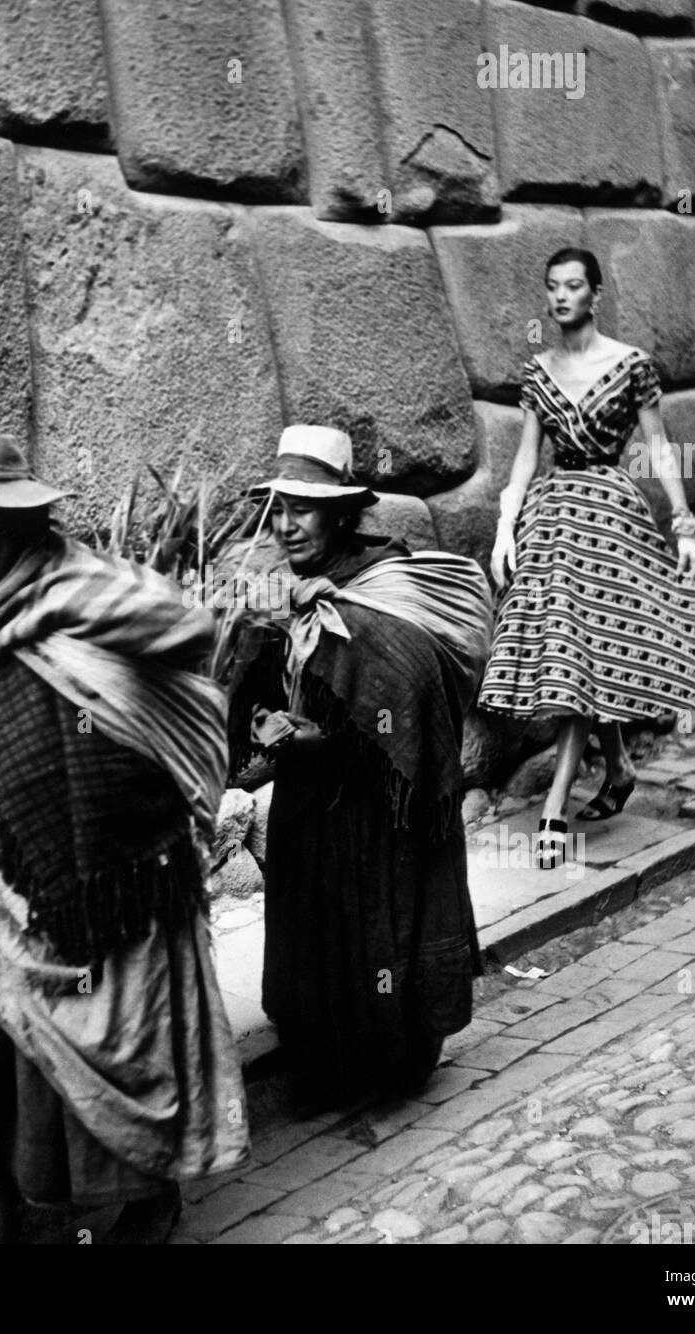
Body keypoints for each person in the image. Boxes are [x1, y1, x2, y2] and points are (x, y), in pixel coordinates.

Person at [0, 428, 249, 1244]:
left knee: (113, 1051)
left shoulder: (87, 597)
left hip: (110, 873)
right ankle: (4, 1219)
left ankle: (140, 1207)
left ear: (12, 524)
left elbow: (132, 751)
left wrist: (6, 821)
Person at [478, 248, 695, 868]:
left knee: (590, 653)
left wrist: (685, 525)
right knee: (573, 654)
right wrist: (506, 527)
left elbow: (660, 450)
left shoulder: (632, 365)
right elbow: (528, 455)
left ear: (596, 294)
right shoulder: (537, 371)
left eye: (574, 286)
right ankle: (617, 765)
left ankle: (555, 806)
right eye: (553, 287)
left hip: (610, 515)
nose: (561, 297)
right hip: (555, 517)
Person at [228, 425, 494, 1104]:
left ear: (343, 514)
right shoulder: (282, 596)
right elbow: (252, 697)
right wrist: (260, 722)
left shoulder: (385, 594)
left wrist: (323, 737)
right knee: (316, 927)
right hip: (308, 809)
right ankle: (324, 1062)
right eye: (278, 509)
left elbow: (412, 705)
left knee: (375, 924)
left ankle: (391, 1062)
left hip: (381, 816)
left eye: (304, 509)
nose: (286, 526)